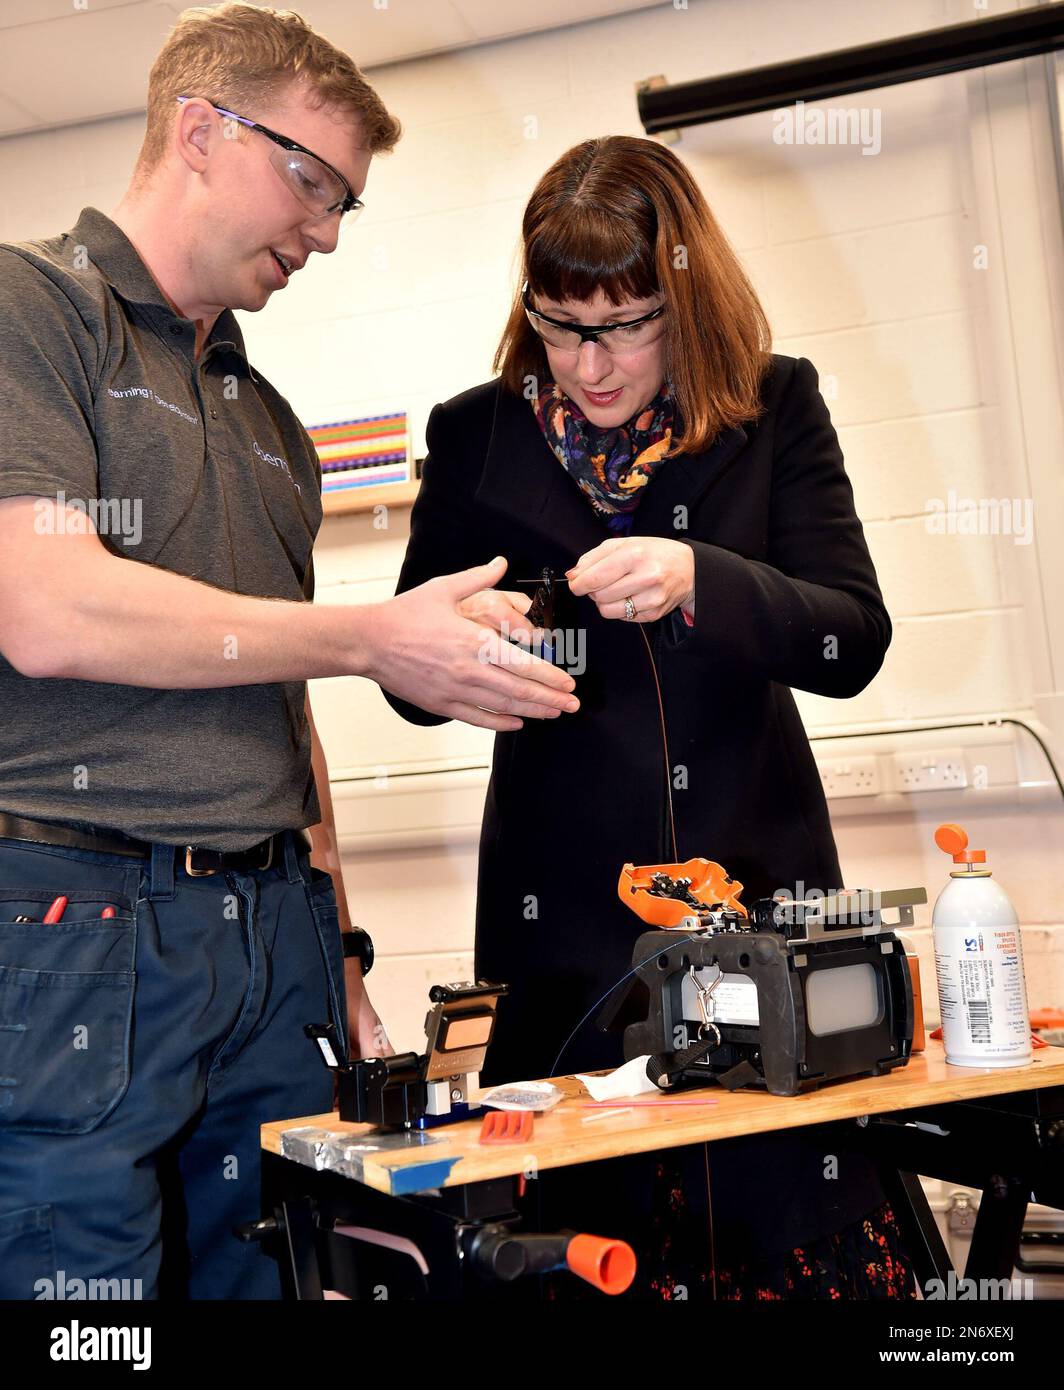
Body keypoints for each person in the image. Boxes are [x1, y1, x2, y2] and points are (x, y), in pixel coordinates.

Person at [0, 3, 576, 1302]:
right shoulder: (32, 307)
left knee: (284, 1270)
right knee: (76, 1289)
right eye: (309, 181)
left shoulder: (270, 421)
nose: (322, 231)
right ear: (200, 130)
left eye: (345, 207)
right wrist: (378, 633)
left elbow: (281, 702)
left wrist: (348, 956)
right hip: (75, 913)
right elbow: (43, 606)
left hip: (278, 938)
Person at [386, 135, 916, 1300]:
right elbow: (404, 678)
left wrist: (702, 577)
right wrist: (464, 640)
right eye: (560, 323)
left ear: (682, 293)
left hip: (753, 886)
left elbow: (851, 639)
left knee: (778, 1202)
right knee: (592, 1235)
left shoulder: (771, 405)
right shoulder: (474, 433)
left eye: (624, 322)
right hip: (560, 914)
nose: (589, 361)